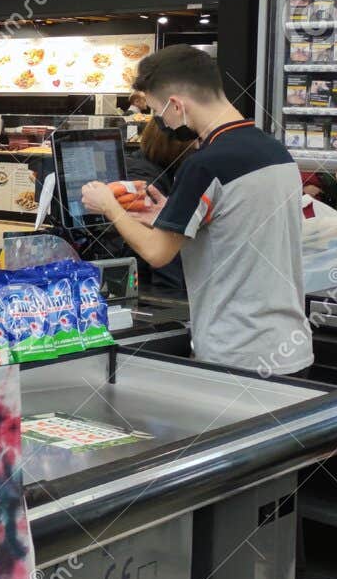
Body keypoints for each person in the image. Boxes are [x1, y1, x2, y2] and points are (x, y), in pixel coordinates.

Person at [80, 45, 311, 375]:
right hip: (290, 349)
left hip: (236, 354)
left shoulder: (204, 165)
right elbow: (235, 224)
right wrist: (168, 215)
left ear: (176, 104)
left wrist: (109, 207)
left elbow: (157, 253)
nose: (161, 122)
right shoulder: (275, 151)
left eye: (159, 111)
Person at [119, 117, 195, 296]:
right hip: (151, 290)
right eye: (196, 140)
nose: (200, 146)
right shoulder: (149, 185)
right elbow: (164, 266)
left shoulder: (151, 173)